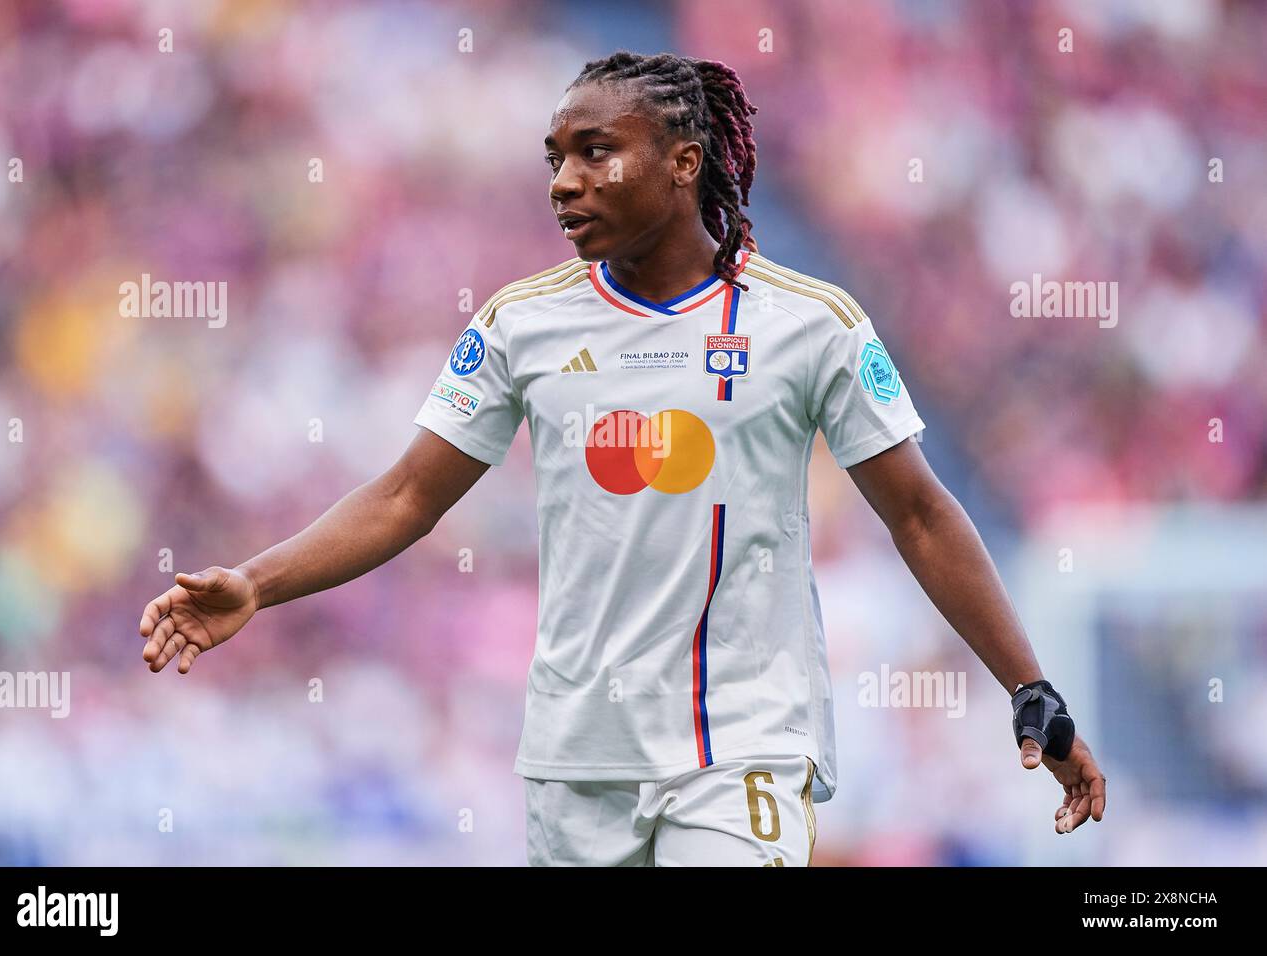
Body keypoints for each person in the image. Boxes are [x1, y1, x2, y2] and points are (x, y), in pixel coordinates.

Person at [138, 50, 1106, 866]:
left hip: (741, 750)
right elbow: (404, 497)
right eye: (555, 157)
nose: (564, 180)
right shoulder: (521, 324)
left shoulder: (810, 324)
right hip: (575, 760)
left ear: (684, 162)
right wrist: (256, 583)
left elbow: (920, 514)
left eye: (595, 152)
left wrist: (1030, 685)